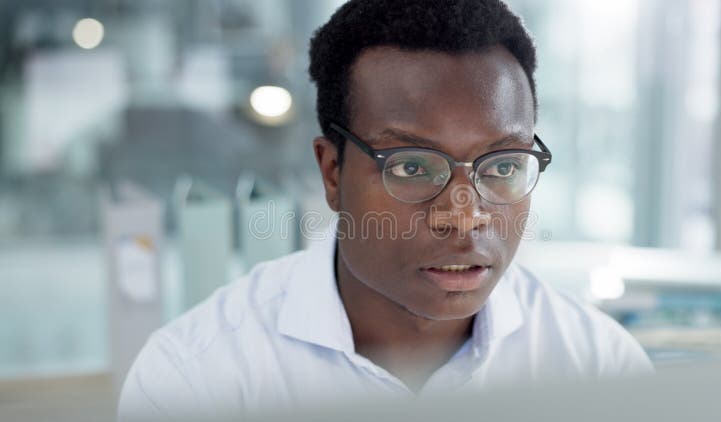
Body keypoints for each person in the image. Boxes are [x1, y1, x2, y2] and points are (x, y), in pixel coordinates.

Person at [118, 0, 652, 420]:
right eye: (413, 167)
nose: (463, 215)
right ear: (333, 172)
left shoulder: (598, 366)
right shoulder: (196, 379)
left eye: (503, 165)